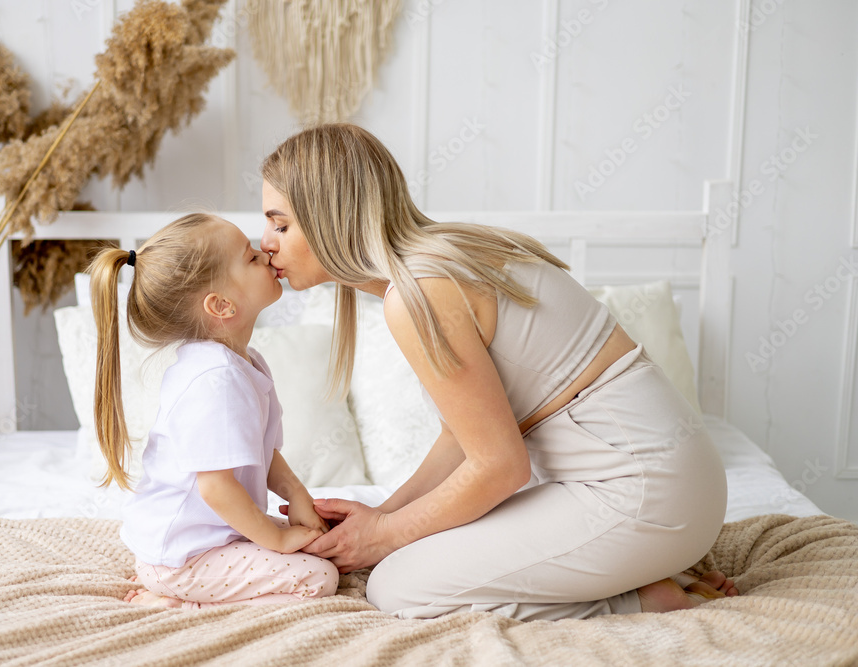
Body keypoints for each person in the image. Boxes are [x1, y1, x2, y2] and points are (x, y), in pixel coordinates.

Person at [257, 123, 739, 622]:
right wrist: (385, 516)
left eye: (281, 225)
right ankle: (647, 567)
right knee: (414, 551)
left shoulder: (420, 292)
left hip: (643, 493)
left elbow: (500, 467)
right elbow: (463, 438)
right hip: (670, 480)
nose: (266, 243)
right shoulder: (446, 256)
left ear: (332, 217)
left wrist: (385, 538)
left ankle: (643, 597)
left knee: (399, 589)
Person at [89, 213, 338, 610]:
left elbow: (264, 455)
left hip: (207, 536)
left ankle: (181, 587)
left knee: (322, 547)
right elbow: (216, 488)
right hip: (184, 555)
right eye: (251, 258)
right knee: (319, 578)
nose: (266, 252)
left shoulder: (245, 363)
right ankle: (182, 602)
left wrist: (298, 496)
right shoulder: (215, 379)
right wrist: (277, 540)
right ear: (221, 304)